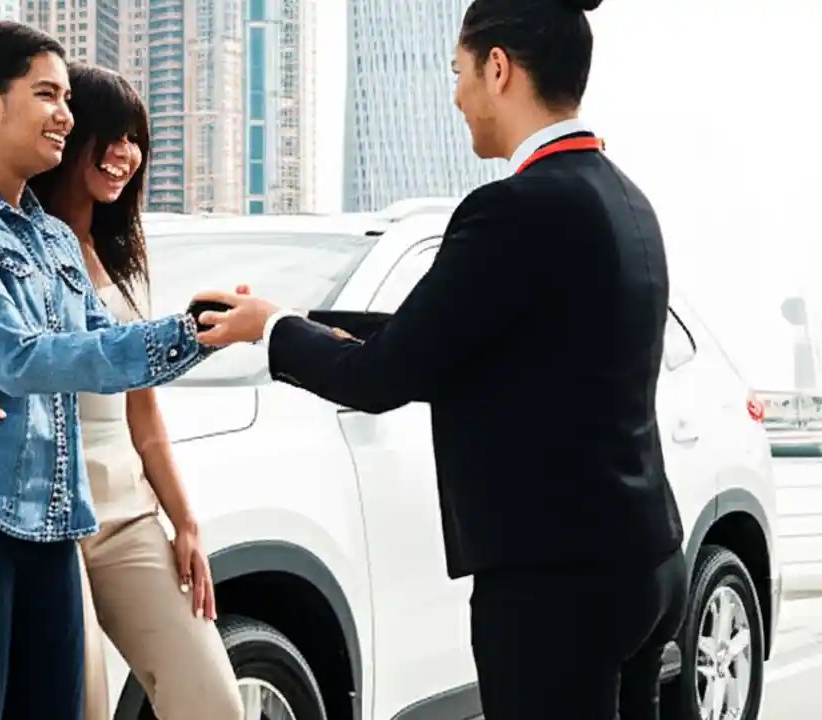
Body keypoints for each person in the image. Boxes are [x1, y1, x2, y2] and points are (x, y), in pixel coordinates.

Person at [189, 0, 689, 718]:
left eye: (457, 73)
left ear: (497, 68)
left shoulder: (513, 210)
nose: (455, 96)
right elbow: (463, 334)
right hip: (644, 557)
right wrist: (288, 319)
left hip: (553, 584)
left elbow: (384, 376)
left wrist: (272, 336)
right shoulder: (625, 199)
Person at [0, 22, 219, 720]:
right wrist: (192, 333)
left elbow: (106, 348)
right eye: (46, 94)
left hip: (56, 522)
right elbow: (22, 357)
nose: (64, 114)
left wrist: (202, 330)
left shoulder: (52, 237)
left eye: (68, 97)